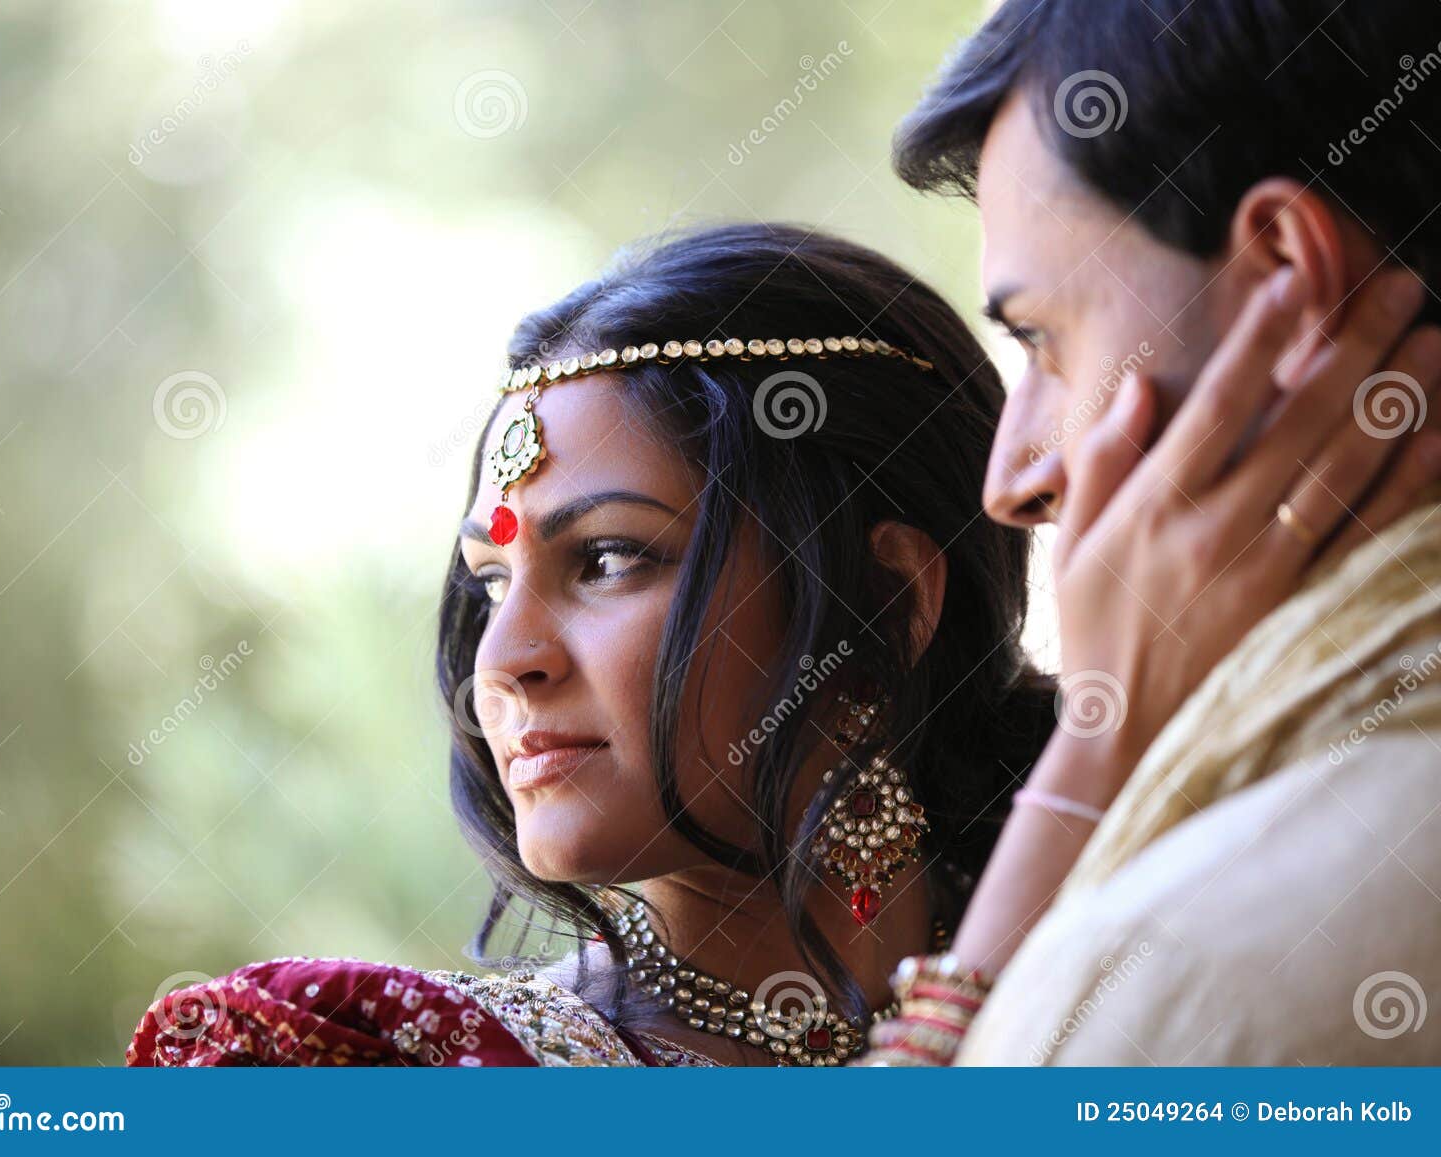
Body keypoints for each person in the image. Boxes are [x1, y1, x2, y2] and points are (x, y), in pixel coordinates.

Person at [126, 222, 1061, 1067]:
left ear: (886, 606)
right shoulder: (410, 1071)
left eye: (607, 559)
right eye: (491, 583)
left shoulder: (1128, 966)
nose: (501, 660)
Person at [863, 0, 1441, 1065]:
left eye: (1042, 339)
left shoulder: (1196, 969)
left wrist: (1094, 745)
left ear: (1287, 280)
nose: (1011, 481)